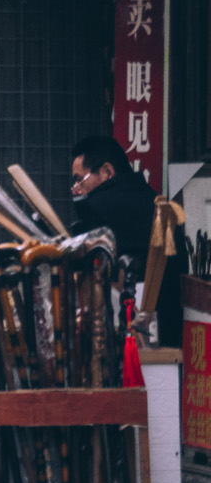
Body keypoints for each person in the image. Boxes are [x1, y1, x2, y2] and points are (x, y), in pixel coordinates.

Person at [72, 135, 182, 345]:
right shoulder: (158, 205)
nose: (76, 189)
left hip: (125, 339)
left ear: (107, 172)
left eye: (80, 179)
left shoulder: (95, 208)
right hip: (172, 334)